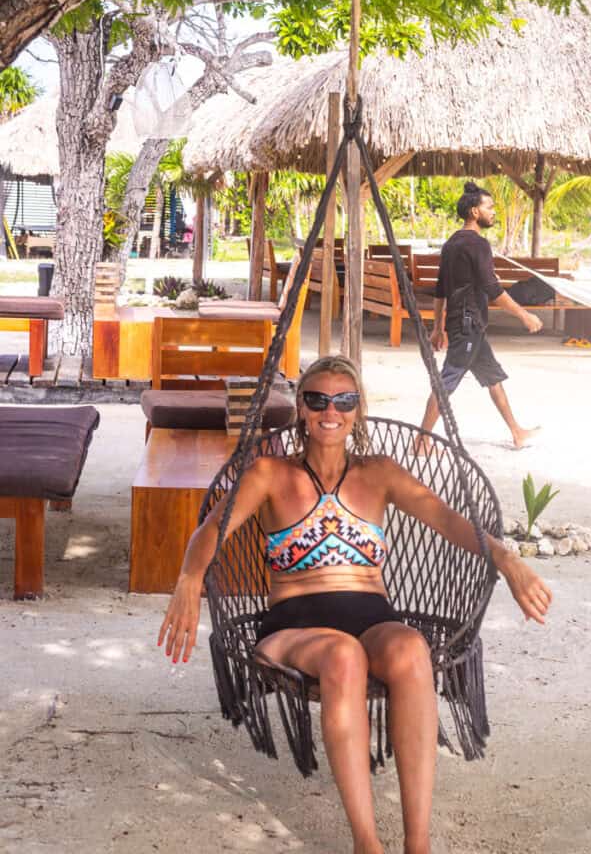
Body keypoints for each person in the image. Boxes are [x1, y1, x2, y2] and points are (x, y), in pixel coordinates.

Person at [158, 354, 553, 854]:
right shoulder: (270, 474)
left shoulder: (379, 473)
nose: (331, 411)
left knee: (410, 649)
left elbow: (451, 521)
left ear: (358, 410)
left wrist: (507, 559)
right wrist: (189, 577)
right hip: (293, 624)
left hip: (371, 615)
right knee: (343, 656)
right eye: (318, 399)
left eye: (344, 401)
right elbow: (209, 532)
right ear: (301, 408)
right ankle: (367, 844)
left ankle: (418, 843)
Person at [419, 181, 543, 451]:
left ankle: (517, 432)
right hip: (468, 324)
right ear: (475, 212)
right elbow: (492, 289)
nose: (493, 212)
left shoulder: (452, 243)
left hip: (467, 323)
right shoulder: (478, 245)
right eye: (489, 207)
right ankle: (422, 440)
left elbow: (441, 288)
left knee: (492, 377)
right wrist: (524, 315)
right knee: (446, 382)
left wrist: (438, 327)